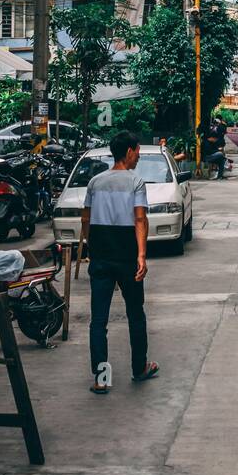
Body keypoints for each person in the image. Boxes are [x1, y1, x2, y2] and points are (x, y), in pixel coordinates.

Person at [82, 129, 158, 393]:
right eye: (137, 151)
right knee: (135, 314)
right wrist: (141, 255)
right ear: (128, 152)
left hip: (101, 257)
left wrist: (91, 248)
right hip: (127, 258)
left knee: (98, 321)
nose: (138, 157)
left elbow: (85, 220)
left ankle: (101, 379)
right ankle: (140, 368)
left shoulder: (95, 182)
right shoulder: (136, 182)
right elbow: (140, 219)